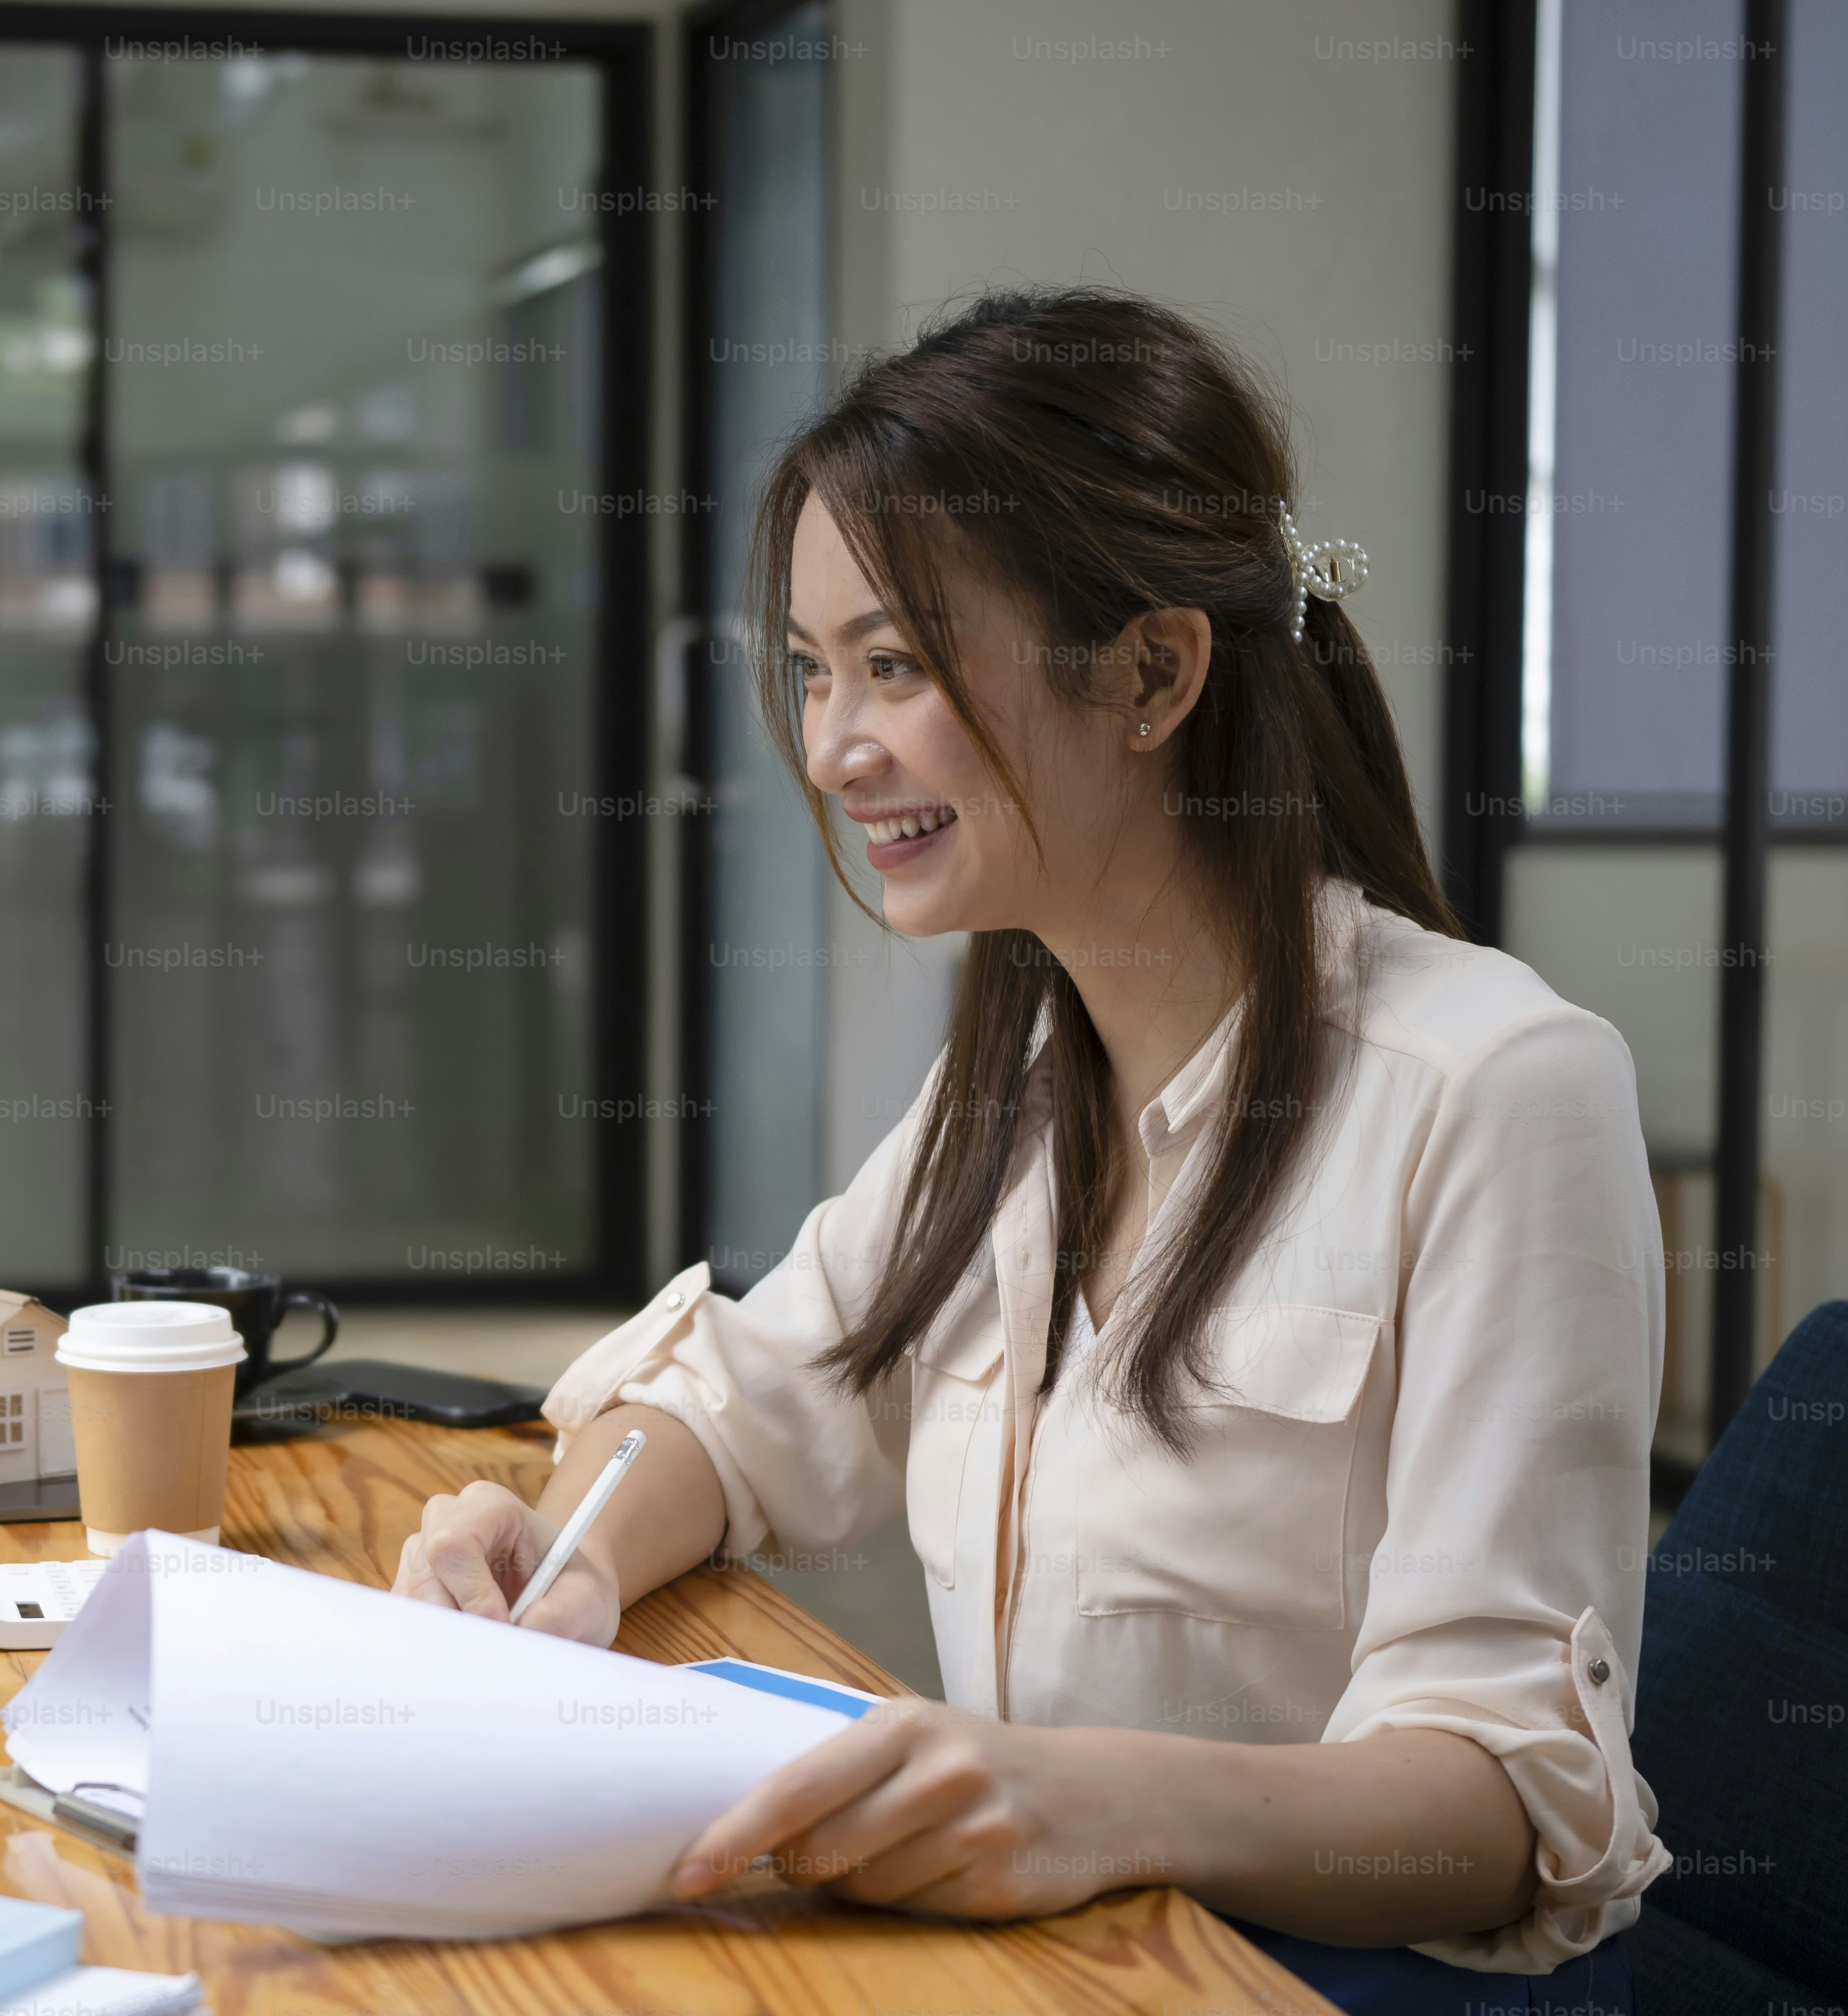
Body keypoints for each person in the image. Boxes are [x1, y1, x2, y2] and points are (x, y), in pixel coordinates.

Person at [395, 288, 1664, 2012]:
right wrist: (568, 1546)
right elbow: (747, 1402)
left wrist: (1087, 1799)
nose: (836, 748)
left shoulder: (1494, 1090)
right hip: (1047, 1966)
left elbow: (1506, 1811)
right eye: (811, 668)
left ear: (1149, 675)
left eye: (897, 666)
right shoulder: (1017, 1077)